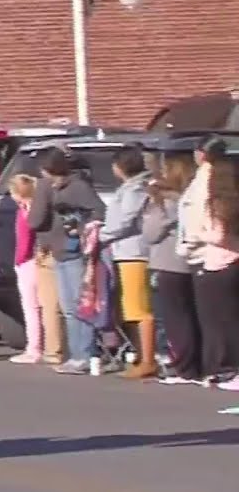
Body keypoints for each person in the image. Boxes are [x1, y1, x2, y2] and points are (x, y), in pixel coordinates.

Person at [29, 148, 108, 376]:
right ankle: (76, 354)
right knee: (67, 307)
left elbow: (98, 211)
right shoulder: (52, 187)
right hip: (58, 251)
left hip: (75, 250)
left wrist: (81, 227)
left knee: (77, 305)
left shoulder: (77, 187)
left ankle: (83, 354)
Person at [142, 152, 202, 384]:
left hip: (168, 264)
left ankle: (183, 367)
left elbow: (150, 233)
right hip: (189, 264)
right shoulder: (192, 198)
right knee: (189, 315)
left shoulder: (169, 202)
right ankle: (193, 363)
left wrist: (154, 205)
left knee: (175, 318)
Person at [100, 146, 155, 379]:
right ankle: (141, 356)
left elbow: (124, 220)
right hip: (124, 252)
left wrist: (101, 234)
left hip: (134, 253)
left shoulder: (136, 190)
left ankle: (149, 359)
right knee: (131, 309)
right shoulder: (130, 188)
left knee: (139, 309)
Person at [198, 151, 239, 390]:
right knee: (232, 319)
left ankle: (231, 369)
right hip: (233, 263)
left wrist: (199, 234)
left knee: (224, 321)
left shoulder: (219, 203)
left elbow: (218, 236)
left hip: (219, 264)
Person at [7, 175, 44, 364]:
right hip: (36, 260)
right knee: (41, 305)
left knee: (31, 307)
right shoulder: (36, 208)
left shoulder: (26, 210)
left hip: (28, 262)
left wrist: (19, 261)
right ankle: (42, 346)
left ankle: (34, 348)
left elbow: (25, 240)